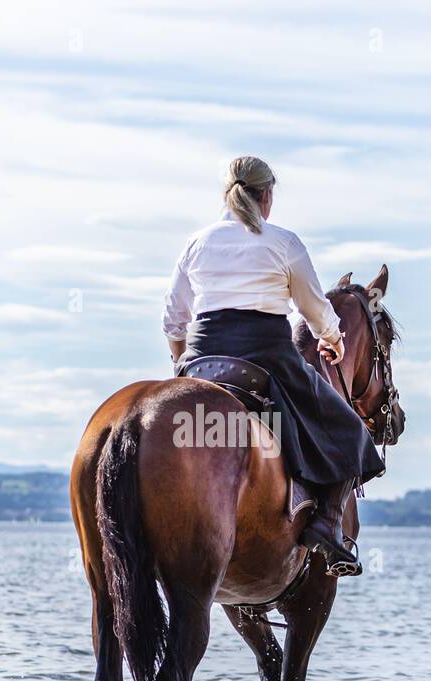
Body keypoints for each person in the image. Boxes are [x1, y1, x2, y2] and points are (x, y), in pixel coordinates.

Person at [162, 156, 383, 576]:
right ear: (267, 196)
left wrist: (183, 364)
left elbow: (172, 319)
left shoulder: (197, 242)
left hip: (201, 359)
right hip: (267, 356)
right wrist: (333, 340)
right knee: (351, 432)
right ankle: (326, 525)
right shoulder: (283, 242)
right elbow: (314, 308)